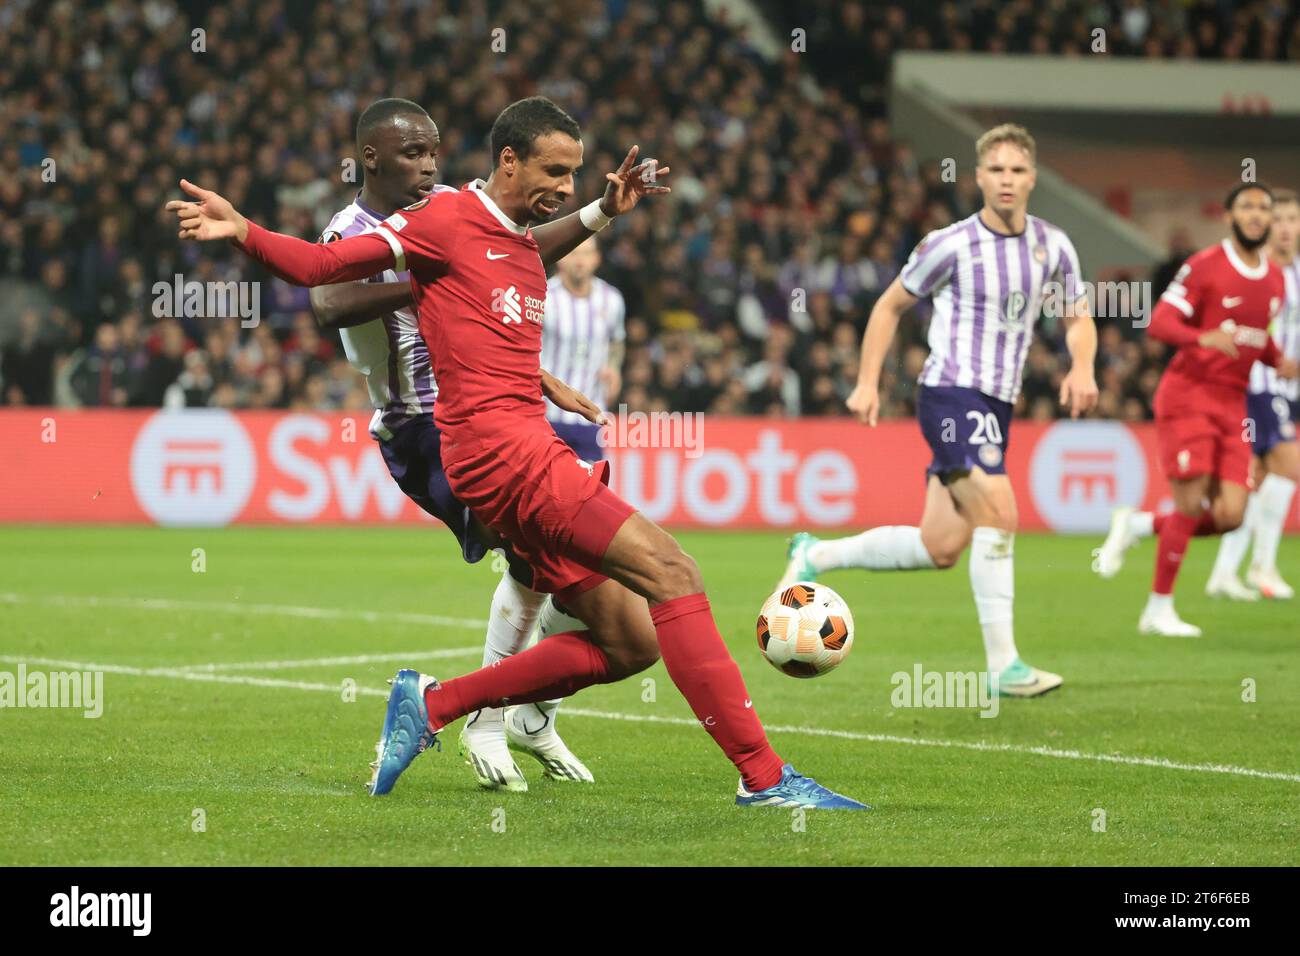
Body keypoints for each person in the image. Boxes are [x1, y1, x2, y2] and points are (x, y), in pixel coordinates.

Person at [166, 95, 866, 810]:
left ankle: (437, 706)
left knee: (630, 643)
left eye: (574, 175)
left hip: (514, 446)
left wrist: (600, 211)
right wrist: (243, 230)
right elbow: (322, 271)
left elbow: (507, 265)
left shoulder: (507, 238)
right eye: (554, 172)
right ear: (508, 161)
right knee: (673, 571)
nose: (564, 186)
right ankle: (766, 779)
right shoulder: (441, 221)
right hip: (498, 454)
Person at [308, 97, 635, 791]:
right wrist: (426, 272)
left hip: (494, 411)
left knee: (564, 554)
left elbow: (510, 260)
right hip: (420, 427)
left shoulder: (454, 208)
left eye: (432, 152)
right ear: (370, 158)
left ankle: (519, 712)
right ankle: (494, 714)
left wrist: (600, 215)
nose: (429, 167)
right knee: (546, 547)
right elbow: (327, 302)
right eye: (411, 155)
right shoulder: (353, 227)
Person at [782, 124, 1097, 697]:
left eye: (1017, 170)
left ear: (1032, 177)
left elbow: (1078, 316)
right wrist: (868, 382)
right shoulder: (949, 243)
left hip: (998, 405)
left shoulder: (1054, 245)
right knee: (1000, 514)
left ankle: (815, 553)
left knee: (941, 547)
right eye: (995, 170)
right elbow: (889, 305)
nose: (1006, 180)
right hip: (950, 394)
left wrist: (1083, 367)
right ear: (979, 177)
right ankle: (1004, 667)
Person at [1092, 183, 1299, 636]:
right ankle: (1157, 609)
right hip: (1189, 395)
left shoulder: (1275, 280)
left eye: (1264, 208)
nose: (1257, 215)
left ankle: (1140, 525)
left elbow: (1253, 336)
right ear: (1228, 216)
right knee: (1190, 501)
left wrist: (1278, 360)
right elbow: (1160, 322)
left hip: (1234, 402)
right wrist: (1202, 337)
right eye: (1247, 207)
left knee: (1230, 514)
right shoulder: (1205, 266)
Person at [1206, 189, 1300, 601]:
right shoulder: (1256, 273)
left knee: (1255, 481)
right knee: (1287, 468)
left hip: (1289, 389)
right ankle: (1262, 566)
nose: (1284, 227)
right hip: (1258, 387)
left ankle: (1225, 572)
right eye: (1278, 218)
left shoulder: (1296, 274)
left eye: (1293, 219)